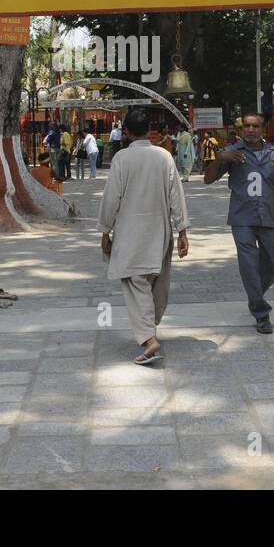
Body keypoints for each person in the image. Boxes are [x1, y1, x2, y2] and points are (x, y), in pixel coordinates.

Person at [98, 108, 190, 365]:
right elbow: (176, 195)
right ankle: (151, 326)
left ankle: (149, 339)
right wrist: (182, 230)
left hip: (129, 232)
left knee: (136, 282)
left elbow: (111, 198)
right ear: (149, 129)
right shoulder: (164, 156)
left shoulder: (121, 159)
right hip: (160, 231)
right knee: (157, 282)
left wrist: (105, 230)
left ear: (125, 132)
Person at [204, 111, 274, 333]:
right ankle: (261, 313)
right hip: (242, 217)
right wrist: (220, 158)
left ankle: (254, 295)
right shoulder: (233, 154)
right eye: (246, 126)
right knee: (249, 265)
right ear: (242, 129)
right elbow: (208, 180)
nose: (250, 130)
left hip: (268, 216)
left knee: (273, 263)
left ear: (262, 129)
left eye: (254, 126)